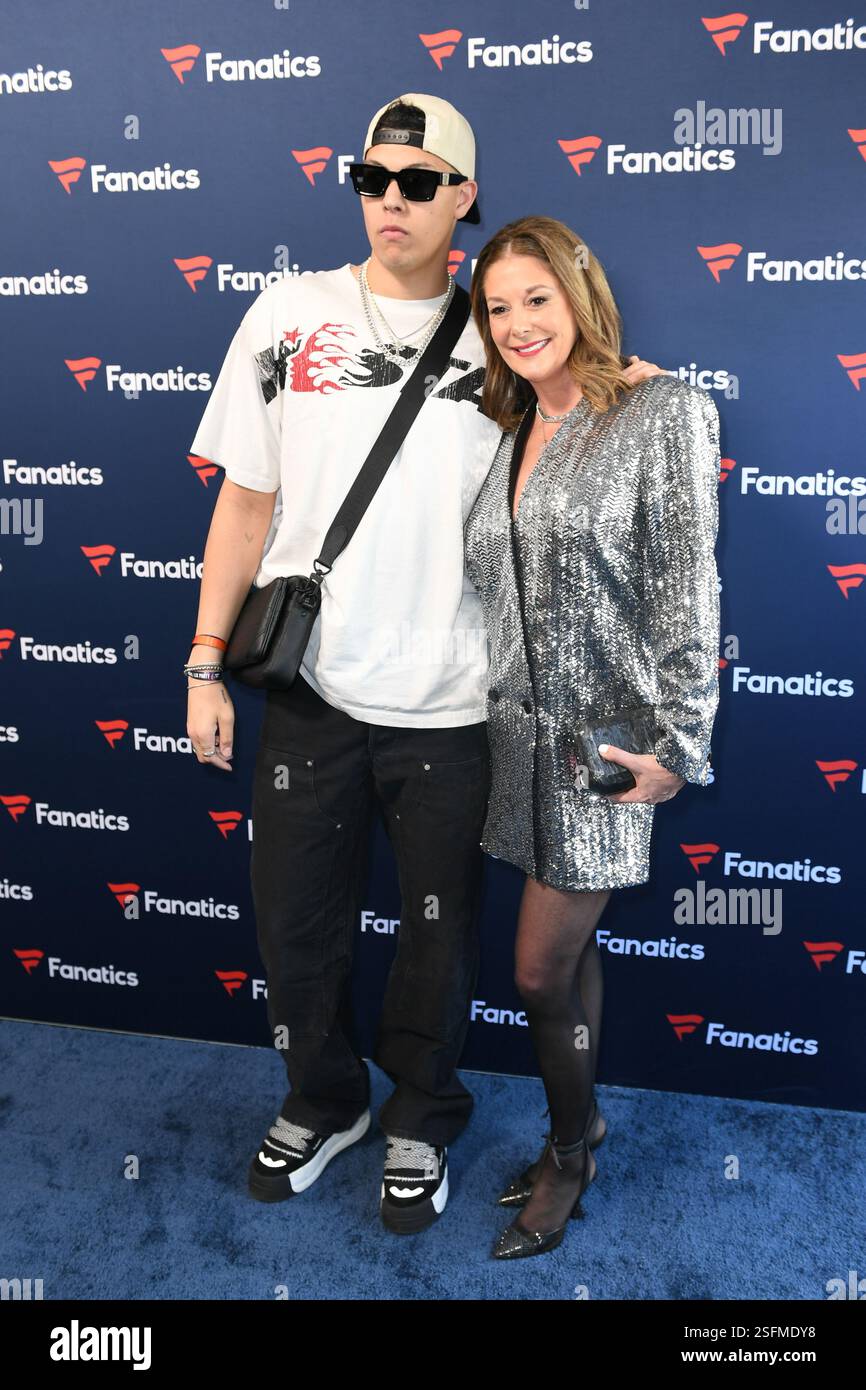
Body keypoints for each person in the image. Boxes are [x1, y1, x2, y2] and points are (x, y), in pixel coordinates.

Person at [185, 94, 660, 1236]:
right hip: (311, 693)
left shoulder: (502, 336)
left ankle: (419, 1115)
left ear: (463, 198)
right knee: (295, 925)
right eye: (370, 177)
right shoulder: (287, 314)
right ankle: (322, 1098)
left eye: (417, 180)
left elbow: (590, 432)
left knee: (435, 938)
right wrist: (205, 662)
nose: (387, 199)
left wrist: (634, 404)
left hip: (454, 704)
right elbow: (245, 499)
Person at [463, 215, 721, 1259]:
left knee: (532, 973)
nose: (519, 323)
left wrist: (680, 743)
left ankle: (568, 1154)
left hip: (607, 754)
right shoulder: (510, 427)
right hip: (515, 751)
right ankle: (585, 1120)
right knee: (564, 963)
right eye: (496, 308)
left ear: (578, 294)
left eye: (536, 297)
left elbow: (686, 589)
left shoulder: (661, 410)